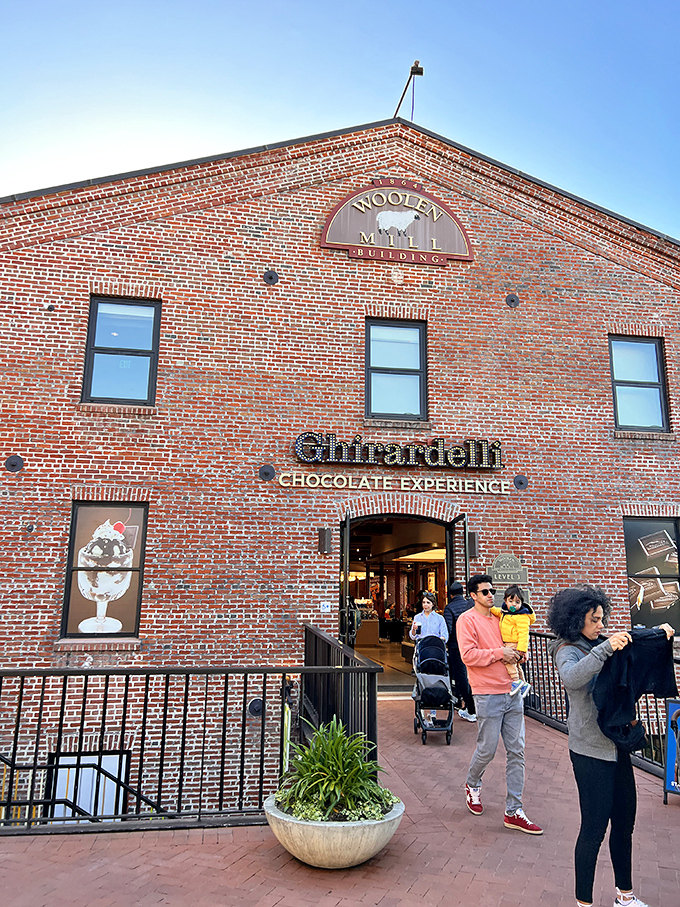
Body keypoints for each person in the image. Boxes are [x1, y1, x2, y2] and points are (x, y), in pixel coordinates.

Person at [547, 584, 675, 907]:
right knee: (593, 828)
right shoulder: (567, 650)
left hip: (616, 745)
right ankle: (583, 902)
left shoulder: (599, 642)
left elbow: (633, 651)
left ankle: (625, 895)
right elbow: (574, 678)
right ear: (577, 621)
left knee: (624, 821)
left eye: (603, 619)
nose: (601, 626)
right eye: (595, 621)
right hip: (589, 752)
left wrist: (658, 636)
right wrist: (604, 649)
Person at [457, 574, 542, 834]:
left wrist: (518, 653)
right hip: (487, 693)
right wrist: (499, 653)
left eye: (492, 590)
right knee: (488, 749)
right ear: (473, 595)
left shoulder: (502, 616)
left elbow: (516, 638)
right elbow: (468, 656)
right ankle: (472, 783)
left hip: (513, 691)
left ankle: (514, 810)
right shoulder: (466, 620)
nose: (490, 595)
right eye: (485, 592)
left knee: (518, 750)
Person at [490, 584, 535, 697]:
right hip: (508, 642)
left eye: (517, 602)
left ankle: (516, 681)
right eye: (511, 601)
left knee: (508, 661)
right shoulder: (505, 612)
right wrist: (488, 607)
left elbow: (524, 634)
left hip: (514, 643)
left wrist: (521, 649)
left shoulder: (522, 616)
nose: (514, 604)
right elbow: (496, 611)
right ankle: (523, 684)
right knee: (516, 665)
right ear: (506, 601)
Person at [444, 581, 477, 722]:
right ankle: (469, 704)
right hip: (472, 645)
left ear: (450, 594)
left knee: (461, 677)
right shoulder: (470, 606)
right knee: (471, 675)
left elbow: (448, 629)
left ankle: (470, 707)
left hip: (456, 647)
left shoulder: (449, 608)